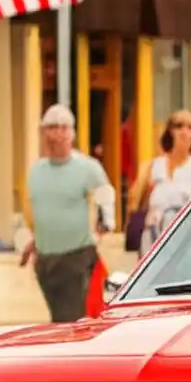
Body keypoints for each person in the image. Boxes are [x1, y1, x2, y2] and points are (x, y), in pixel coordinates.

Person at [22, 105, 117, 322]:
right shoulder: (36, 171)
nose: (57, 134)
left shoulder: (87, 167)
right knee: (58, 318)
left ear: (72, 133)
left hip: (76, 257)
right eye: (51, 128)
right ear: (43, 133)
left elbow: (105, 195)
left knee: (71, 320)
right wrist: (30, 242)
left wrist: (104, 226)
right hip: (45, 260)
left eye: (63, 128)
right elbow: (33, 211)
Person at [126, 109, 191, 256]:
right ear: (170, 132)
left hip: (187, 242)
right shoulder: (154, 166)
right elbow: (136, 202)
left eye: (190, 127)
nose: (184, 131)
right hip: (153, 241)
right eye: (179, 126)